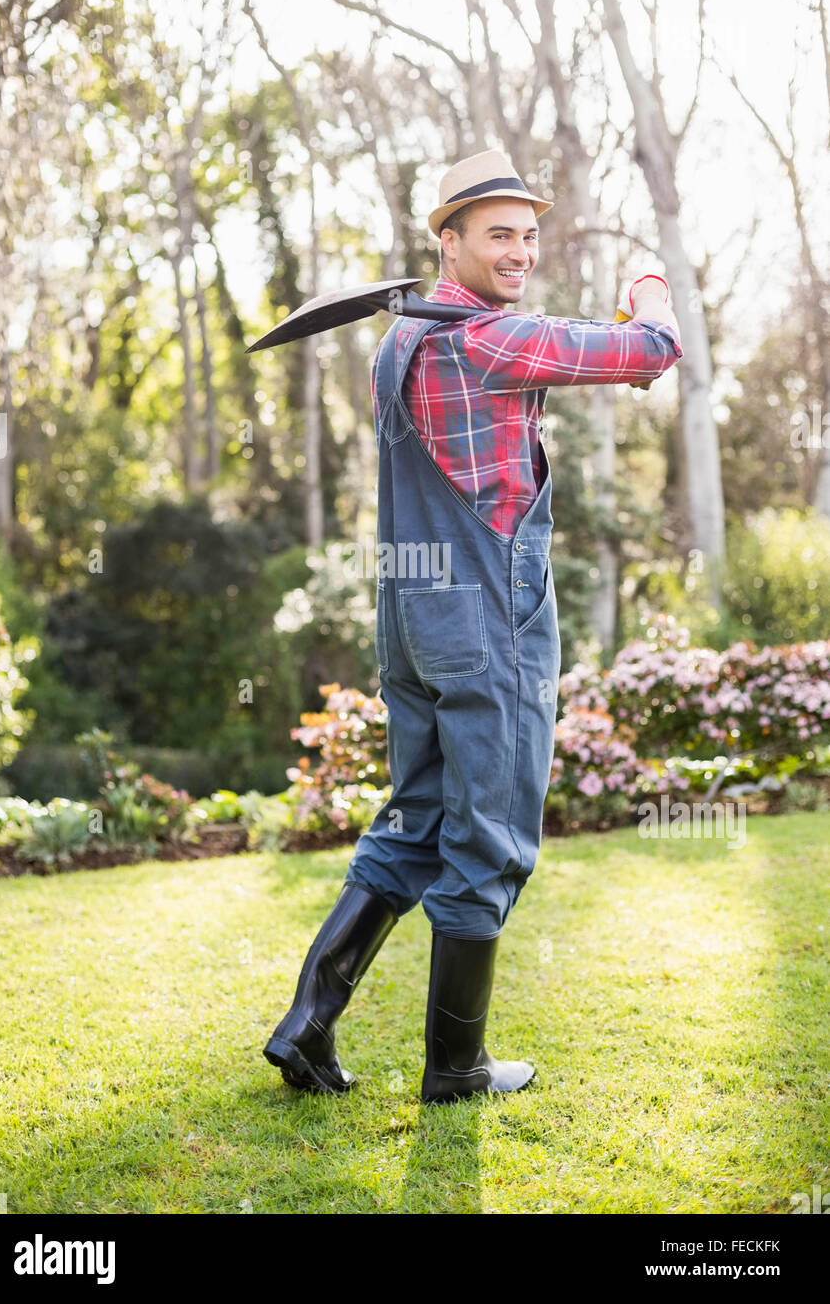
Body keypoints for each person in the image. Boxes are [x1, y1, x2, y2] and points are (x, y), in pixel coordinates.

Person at [263, 148, 683, 1103]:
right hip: (489, 621)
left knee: (416, 818)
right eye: (498, 234)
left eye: (529, 235)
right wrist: (649, 288)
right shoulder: (490, 342)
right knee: (488, 835)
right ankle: (456, 1067)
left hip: (412, 622)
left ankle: (307, 1023)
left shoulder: (399, 344)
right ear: (445, 242)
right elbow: (652, 352)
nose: (520, 251)